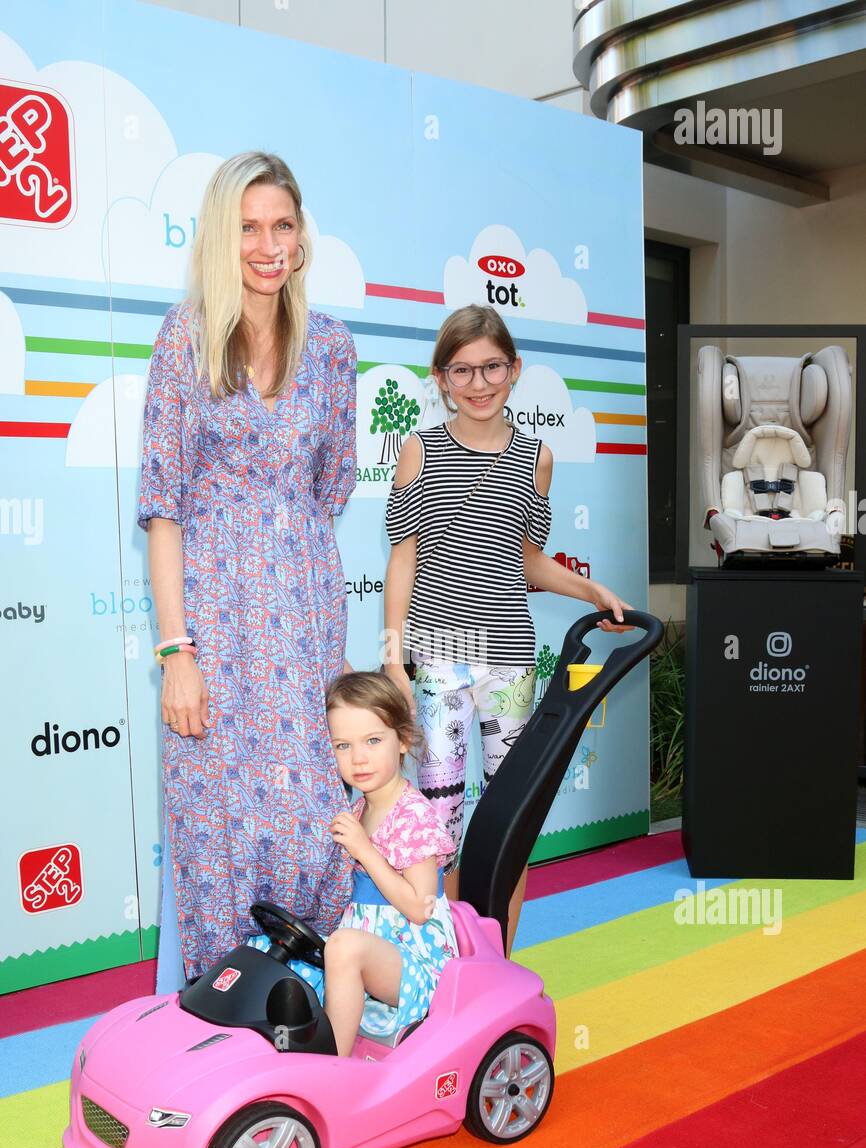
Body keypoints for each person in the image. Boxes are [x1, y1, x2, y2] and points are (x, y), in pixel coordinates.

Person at [137, 151, 357, 980]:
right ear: (220, 239)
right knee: (217, 821)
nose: (268, 246)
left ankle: (307, 1000)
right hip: (213, 624)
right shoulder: (183, 340)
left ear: (302, 238)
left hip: (304, 618)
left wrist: (280, 547)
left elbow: (330, 487)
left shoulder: (333, 348)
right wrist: (176, 653)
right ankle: (217, 1008)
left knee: (309, 809)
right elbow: (163, 508)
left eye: (283, 226)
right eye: (249, 228)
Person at [383, 303, 634, 957]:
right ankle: (439, 969)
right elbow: (403, 555)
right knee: (438, 828)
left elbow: (526, 561)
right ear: (441, 378)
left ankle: (495, 962)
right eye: (461, 370)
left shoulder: (537, 458)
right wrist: (392, 660)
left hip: (509, 663)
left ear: (514, 369)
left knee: (508, 821)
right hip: (437, 661)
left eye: (491, 366)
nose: (478, 382)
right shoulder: (420, 448)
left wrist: (590, 588)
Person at [252, 672, 458, 1057]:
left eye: (373, 741)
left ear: (404, 739)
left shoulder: (414, 815)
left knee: (344, 947)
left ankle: (333, 1065)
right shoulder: (359, 806)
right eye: (342, 745)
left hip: (419, 964)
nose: (358, 758)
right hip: (370, 945)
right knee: (271, 947)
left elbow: (420, 907)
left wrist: (365, 850)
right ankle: (274, 1050)